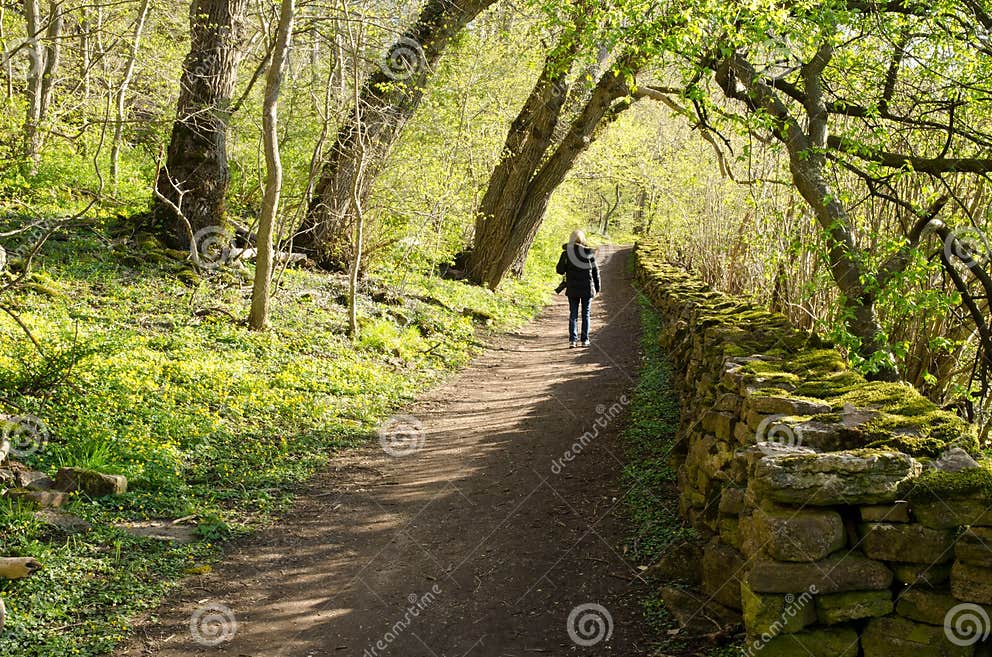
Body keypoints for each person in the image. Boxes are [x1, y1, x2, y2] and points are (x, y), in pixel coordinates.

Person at [556, 230, 601, 348]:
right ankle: (585, 340)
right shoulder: (589, 253)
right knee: (586, 314)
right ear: (582, 240)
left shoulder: (566, 254)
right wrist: (597, 287)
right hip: (587, 288)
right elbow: (596, 272)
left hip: (572, 288)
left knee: (573, 314)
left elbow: (559, 270)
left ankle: (573, 340)